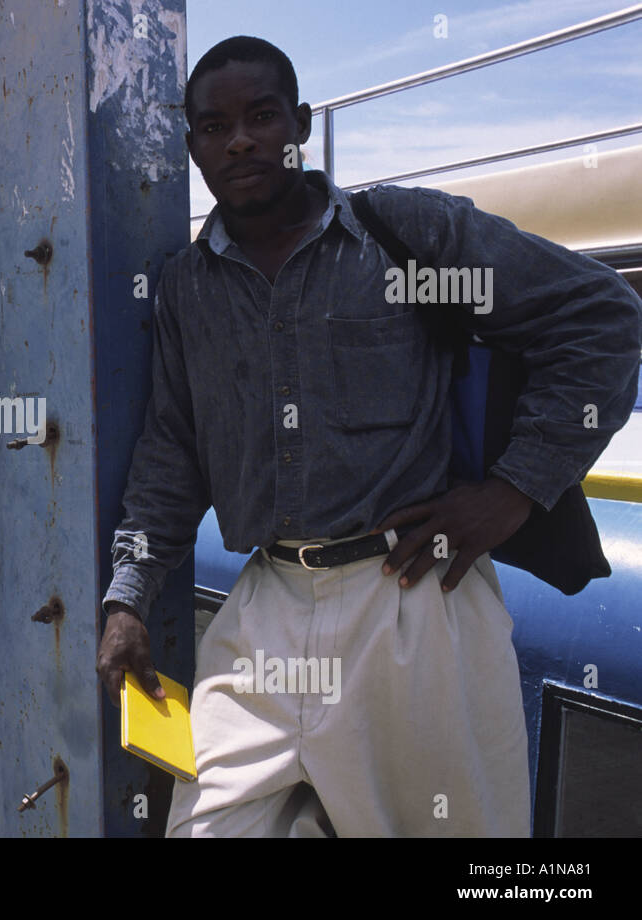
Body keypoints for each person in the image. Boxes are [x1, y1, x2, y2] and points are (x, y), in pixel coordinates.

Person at [96, 36, 642, 838]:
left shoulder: (404, 236)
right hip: (267, 604)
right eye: (214, 126)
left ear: (301, 124)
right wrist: (129, 597)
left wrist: (515, 489)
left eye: (261, 116)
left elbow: (603, 318)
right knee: (205, 825)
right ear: (193, 147)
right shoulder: (188, 288)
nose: (239, 139)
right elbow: (172, 452)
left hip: (415, 600)